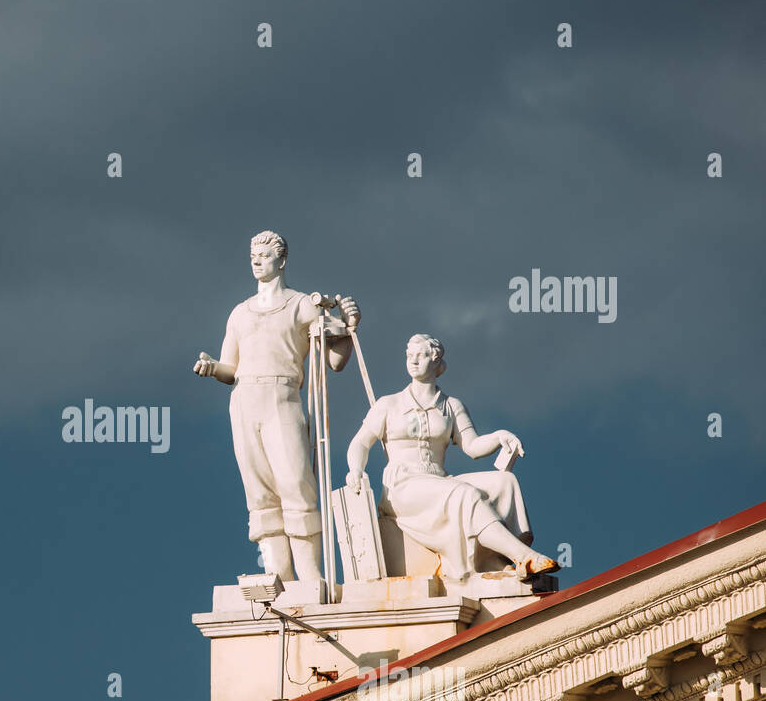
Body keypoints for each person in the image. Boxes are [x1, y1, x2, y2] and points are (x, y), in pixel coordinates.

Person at [194, 230, 360, 582]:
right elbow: (230, 368)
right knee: (260, 492)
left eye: (264, 255)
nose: (256, 261)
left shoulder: (301, 304)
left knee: (295, 482)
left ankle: (311, 575)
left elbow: (335, 361)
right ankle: (277, 576)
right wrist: (212, 367)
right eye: (252, 255)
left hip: (282, 397)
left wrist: (348, 329)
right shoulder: (239, 313)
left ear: (281, 261)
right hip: (244, 399)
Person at [344, 333, 558, 580]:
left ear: (436, 362)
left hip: (438, 479)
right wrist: (356, 470)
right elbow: (360, 442)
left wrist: (498, 437)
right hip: (402, 486)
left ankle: (499, 561)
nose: (413, 361)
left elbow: (472, 446)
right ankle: (522, 556)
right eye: (409, 356)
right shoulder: (389, 404)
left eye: (421, 355)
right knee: (464, 494)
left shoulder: (451, 405)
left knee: (504, 482)